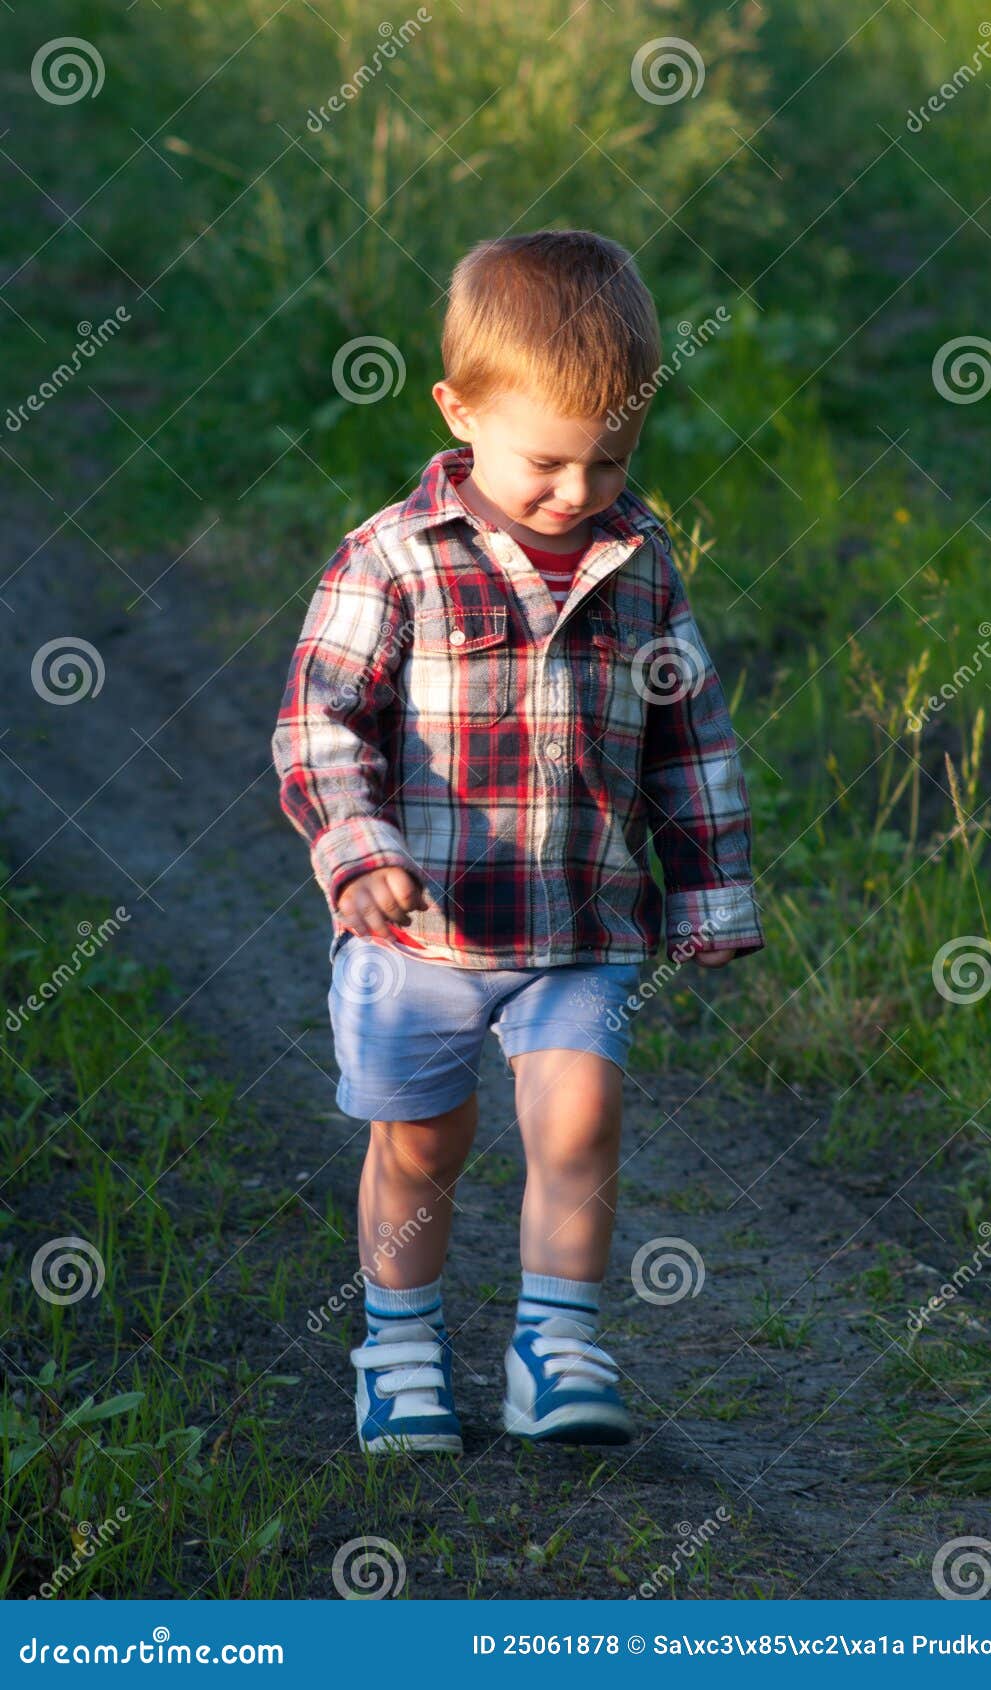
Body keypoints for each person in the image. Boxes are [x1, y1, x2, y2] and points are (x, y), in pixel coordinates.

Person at [271, 228, 764, 1456]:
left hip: (581, 923)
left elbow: (686, 737)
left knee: (580, 1116)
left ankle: (556, 1345)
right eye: (547, 461)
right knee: (421, 1141)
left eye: (609, 461)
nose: (576, 491)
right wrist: (356, 847)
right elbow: (316, 721)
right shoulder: (393, 559)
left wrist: (706, 892)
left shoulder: (639, 563)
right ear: (458, 409)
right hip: (419, 927)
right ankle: (396, 1343)